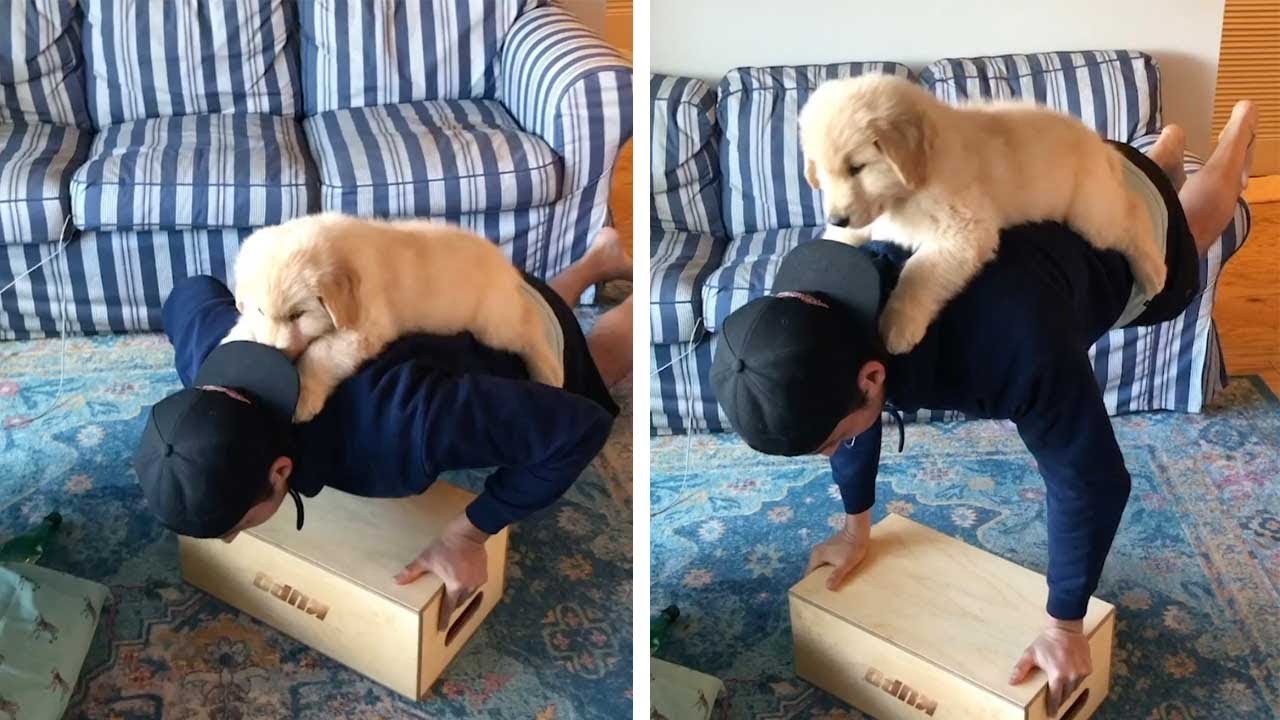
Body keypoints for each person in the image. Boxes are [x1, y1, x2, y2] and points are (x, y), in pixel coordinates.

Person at [710, 101, 1257, 715]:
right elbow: (842, 404)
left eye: (833, 441)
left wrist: (1064, 626)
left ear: (871, 376)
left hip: (1104, 225)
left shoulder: (1012, 348)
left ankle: (1235, 140)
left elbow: (1092, 480)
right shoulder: (829, 299)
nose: (836, 450)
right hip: (1070, 178)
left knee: (1185, 236)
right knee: (1140, 172)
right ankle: (1159, 156)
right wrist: (853, 526)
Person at [132, 228, 633, 621]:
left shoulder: (397, 429)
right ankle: (597, 259)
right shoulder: (209, 349)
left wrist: (469, 533)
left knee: (591, 365)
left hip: (485, 316)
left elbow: (579, 428)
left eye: (236, 528)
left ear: (280, 469)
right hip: (465, 290)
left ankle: (644, 295)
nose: (235, 540)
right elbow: (191, 292)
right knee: (524, 302)